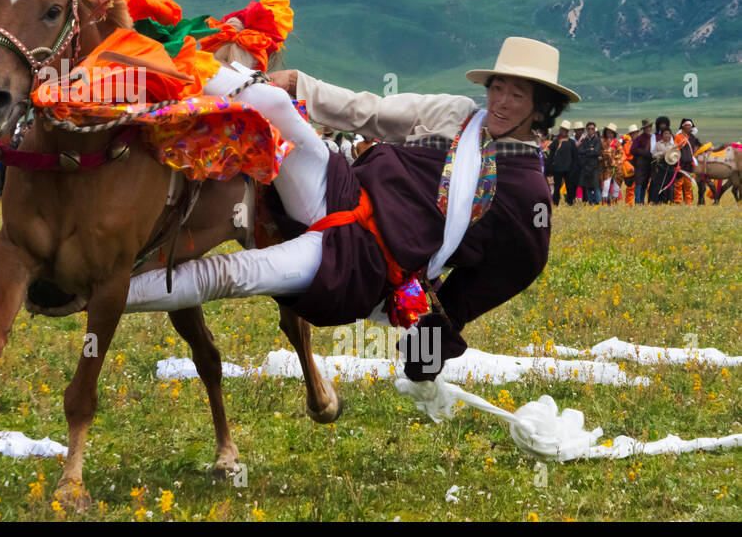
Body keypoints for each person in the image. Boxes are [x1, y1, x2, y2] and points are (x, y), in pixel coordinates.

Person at [123, 36, 577, 383]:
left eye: (517, 95)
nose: (501, 101)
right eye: (498, 87)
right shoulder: (455, 113)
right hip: (340, 191)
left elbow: (514, 270)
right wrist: (300, 84)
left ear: (540, 109)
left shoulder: (527, 191)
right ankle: (137, 57)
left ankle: (102, 297)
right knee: (270, 101)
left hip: (360, 264)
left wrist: (436, 331)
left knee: (228, 274)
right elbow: (373, 112)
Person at [550, 122, 578, 205]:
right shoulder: (555, 141)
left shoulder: (571, 142)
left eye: (565, 130)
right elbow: (551, 155)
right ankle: (555, 203)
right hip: (557, 169)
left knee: (570, 187)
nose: (563, 131)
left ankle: (570, 203)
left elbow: (575, 157)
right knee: (556, 188)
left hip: (569, 169)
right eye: (562, 129)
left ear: (567, 131)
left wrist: (574, 168)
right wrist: (551, 167)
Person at [575, 121, 602, 205]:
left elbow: (597, 152)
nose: (590, 130)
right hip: (586, 166)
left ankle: (598, 203)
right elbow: (580, 151)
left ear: (594, 130)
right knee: (588, 187)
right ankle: (591, 203)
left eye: (592, 129)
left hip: (594, 166)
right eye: (589, 129)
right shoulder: (584, 140)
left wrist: (586, 153)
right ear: (586, 130)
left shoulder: (597, 140)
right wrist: (589, 150)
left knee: (596, 186)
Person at [631, 118, 653, 203]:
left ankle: (642, 201)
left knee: (645, 183)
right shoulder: (639, 138)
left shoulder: (652, 137)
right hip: (640, 164)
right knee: (639, 183)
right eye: (647, 127)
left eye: (650, 127)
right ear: (644, 129)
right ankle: (637, 202)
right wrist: (644, 152)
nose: (649, 128)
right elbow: (632, 150)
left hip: (649, 163)